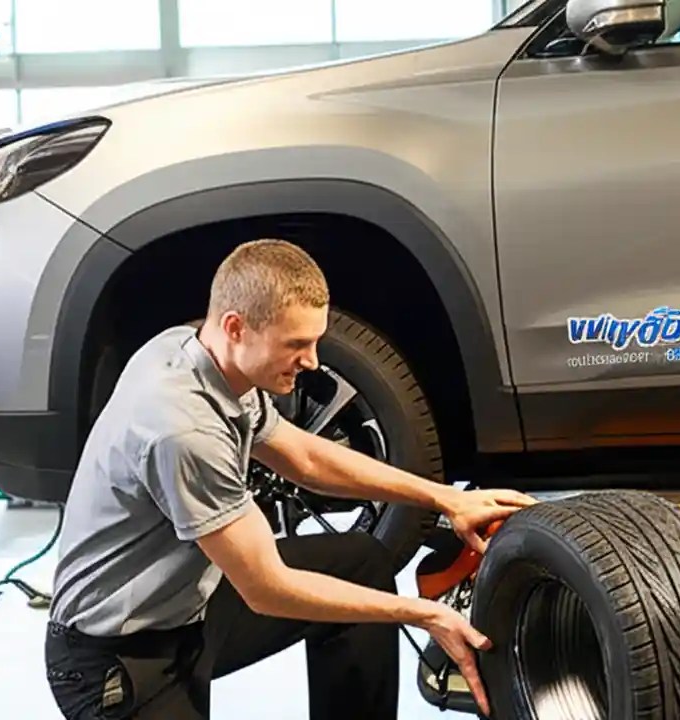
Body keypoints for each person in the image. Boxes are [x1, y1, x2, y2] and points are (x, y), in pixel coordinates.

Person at [43, 239, 536, 719]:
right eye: (296, 344)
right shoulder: (184, 429)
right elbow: (267, 589)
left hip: (193, 607)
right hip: (118, 658)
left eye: (315, 340)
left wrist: (444, 498)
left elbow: (303, 458)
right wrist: (424, 613)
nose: (313, 361)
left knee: (358, 561)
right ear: (236, 327)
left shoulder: (195, 353)